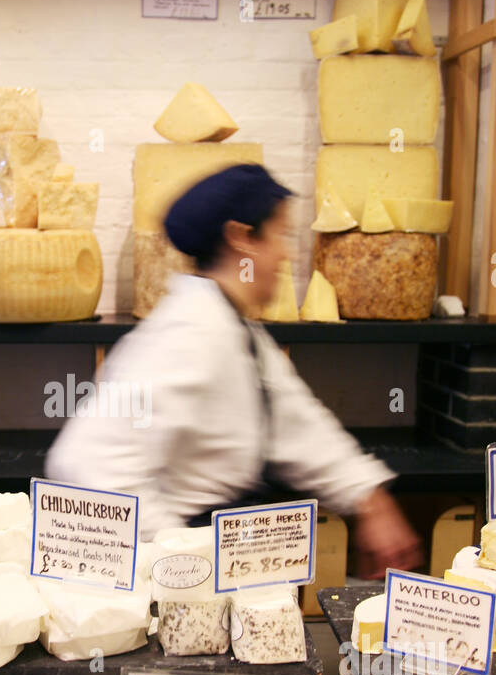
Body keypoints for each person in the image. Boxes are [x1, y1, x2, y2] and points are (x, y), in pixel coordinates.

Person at [45, 163, 421, 577]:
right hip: (185, 570)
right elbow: (86, 464)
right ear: (241, 237)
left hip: (222, 558)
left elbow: (296, 423)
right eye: (281, 234)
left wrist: (370, 500)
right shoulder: (191, 332)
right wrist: (183, 570)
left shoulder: (235, 327)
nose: (288, 253)